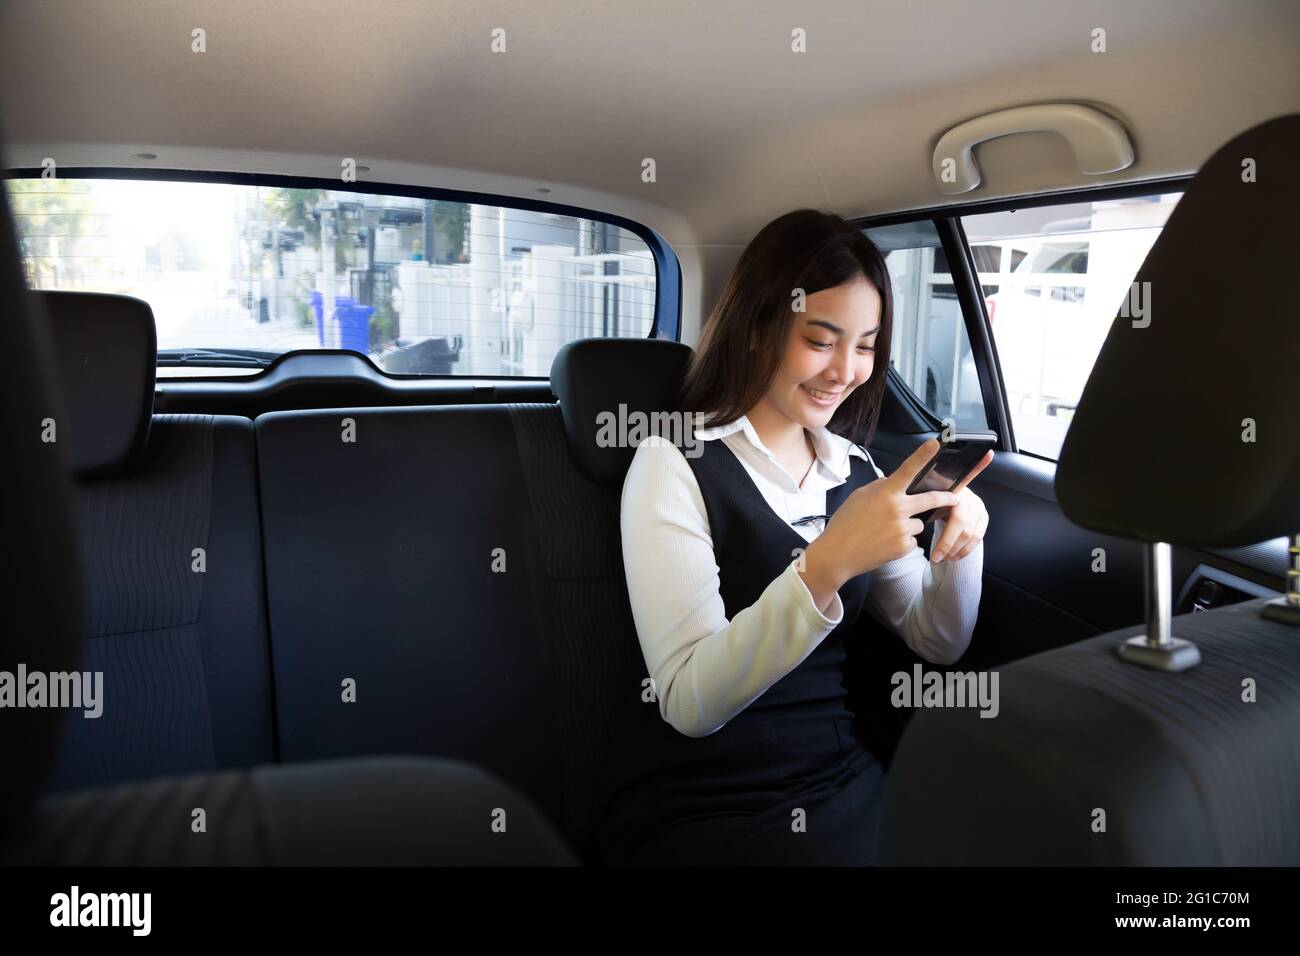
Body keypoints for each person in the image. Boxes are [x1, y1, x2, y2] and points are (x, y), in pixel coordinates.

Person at [601, 209, 992, 866]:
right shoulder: (673, 462)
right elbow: (690, 703)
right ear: (758, 330)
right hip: (703, 803)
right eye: (820, 339)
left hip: (840, 781)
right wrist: (827, 564)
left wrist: (962, 546)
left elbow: (937, 640)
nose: (846, 370)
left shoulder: (860, 472)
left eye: (866, 345)